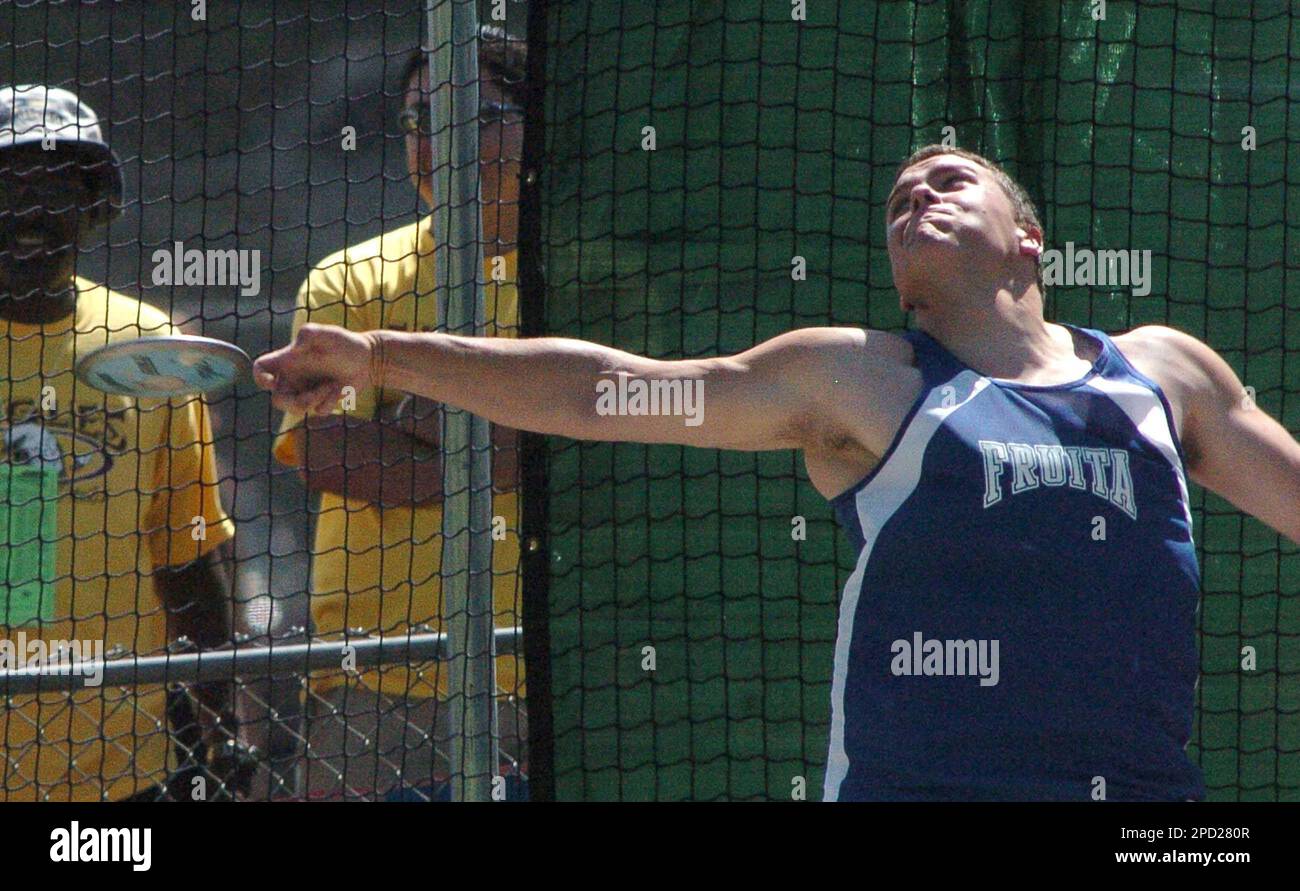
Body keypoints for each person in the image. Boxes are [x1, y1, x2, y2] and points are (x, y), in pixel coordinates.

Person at [256, 142, 1300, 801]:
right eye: (898, 197)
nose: (915, 198)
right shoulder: (854, 377)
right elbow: (609, 390)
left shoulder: (1163, 373)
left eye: (947, 182)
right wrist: (380, 357)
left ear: (1026, 239)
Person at [269, 26, 527, 799]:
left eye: (477, 116)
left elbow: (573, 439)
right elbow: (329, 455)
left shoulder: (579, 272)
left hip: (534, 679)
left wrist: (413, 417)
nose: (441, 142)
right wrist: (497, 421)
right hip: (368, 689)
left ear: (532, 120)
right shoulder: (346, 279)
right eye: (421, 122)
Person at [0, 85, 240, 801]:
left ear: (96, 205)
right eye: (7, 187)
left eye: (54, 186)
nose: (28, 215)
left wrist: (222, 725)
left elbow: (188, 557)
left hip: (122, 769)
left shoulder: (150, 348)